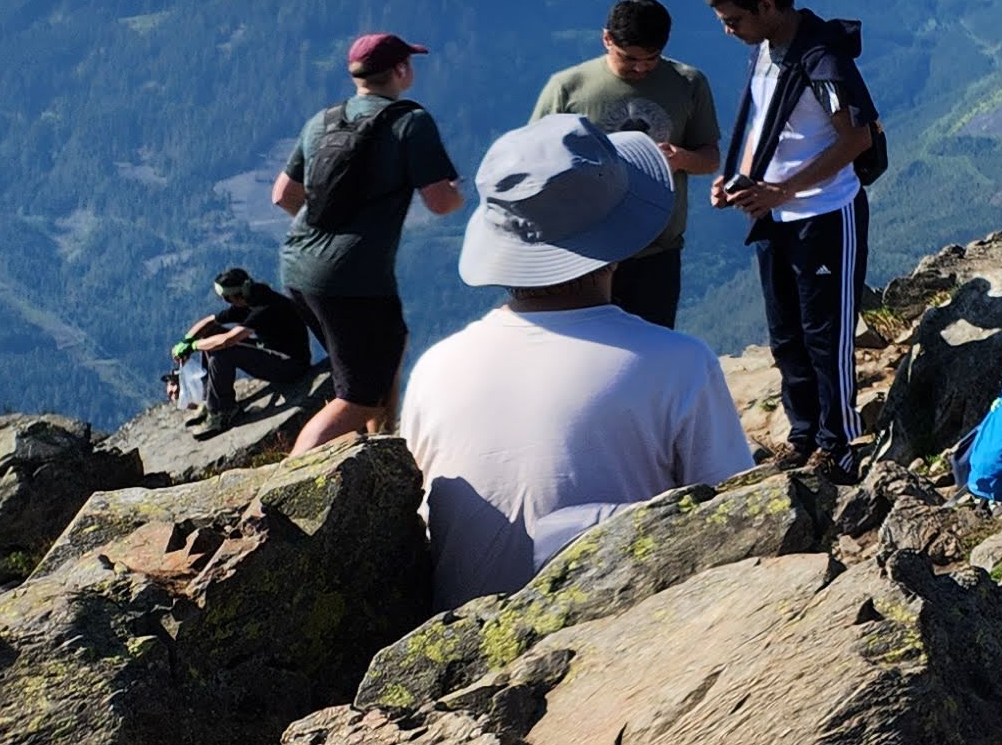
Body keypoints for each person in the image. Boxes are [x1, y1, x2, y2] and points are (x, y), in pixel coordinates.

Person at [399, 114, 756, 606]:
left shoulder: (434, 370)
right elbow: (736, 524)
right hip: (614, 636)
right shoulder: (680, 365)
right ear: (618, 240)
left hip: (455, 648)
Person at [705, 0, 882, 479]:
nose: (726, 30)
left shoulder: (822, 59)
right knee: (786, 333)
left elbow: (857, 138)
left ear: (767, 5)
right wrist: (736, 177)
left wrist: (782, 190)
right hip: (774, 214)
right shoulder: (768, 49)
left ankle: (840, 442)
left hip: (823, 215)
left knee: (825, 333)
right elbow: (768, 123)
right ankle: (803, 433)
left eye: (733, 19)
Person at [268, 32, 465, 453]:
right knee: (357, 398)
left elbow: (283, 195)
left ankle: (382, 451)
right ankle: (285, 492)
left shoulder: (323, 120)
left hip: (299, 266)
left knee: (391, 345)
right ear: (400, 70)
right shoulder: (410, 122)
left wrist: (329, 233)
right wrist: (458, 191)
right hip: (353, 279)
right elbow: (442, 202)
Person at [528, 0, 723, 327]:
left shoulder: (688, 83)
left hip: (658, 252)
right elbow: (533, 162)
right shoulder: (567, 88)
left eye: (652, 59)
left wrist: (682, 159)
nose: (641, 67)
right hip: (586, 254)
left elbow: (710, 159)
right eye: (629, 58)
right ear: (607, 39)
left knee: (652, 353)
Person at [178, 267, 318, 425]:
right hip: (272, 351)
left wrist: (194, 346)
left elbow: (227, 340)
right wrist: (186, 341)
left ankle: (223, 411)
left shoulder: (264, 307)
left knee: (223, 352)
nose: (225, 302)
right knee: (211, 333)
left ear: (235, 296)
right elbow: (210, 321)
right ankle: (209, 400)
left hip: (292, 366)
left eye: (226, 298)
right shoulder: (249, 299)